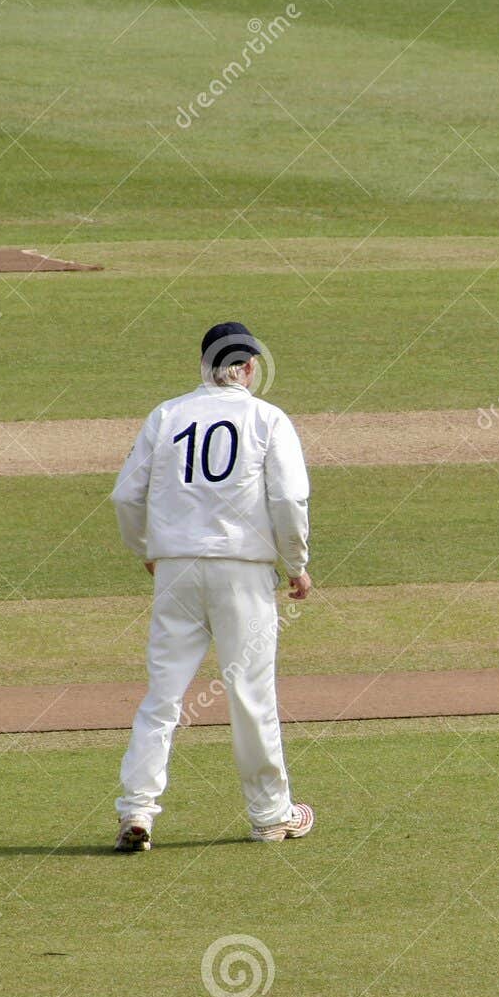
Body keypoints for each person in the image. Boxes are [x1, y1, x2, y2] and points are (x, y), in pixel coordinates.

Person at [109, 321, 314, 852]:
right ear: (247, 368)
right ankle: (271, 814)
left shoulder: (167, 414)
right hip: (242, 570)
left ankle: (137, 809)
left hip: (176, 569)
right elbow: (289, 499)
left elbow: (126, 496)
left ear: (204, 365)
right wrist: (296, 563)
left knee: (163, 694)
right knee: (251, 694)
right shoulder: (268, 418)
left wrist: (148, 550)